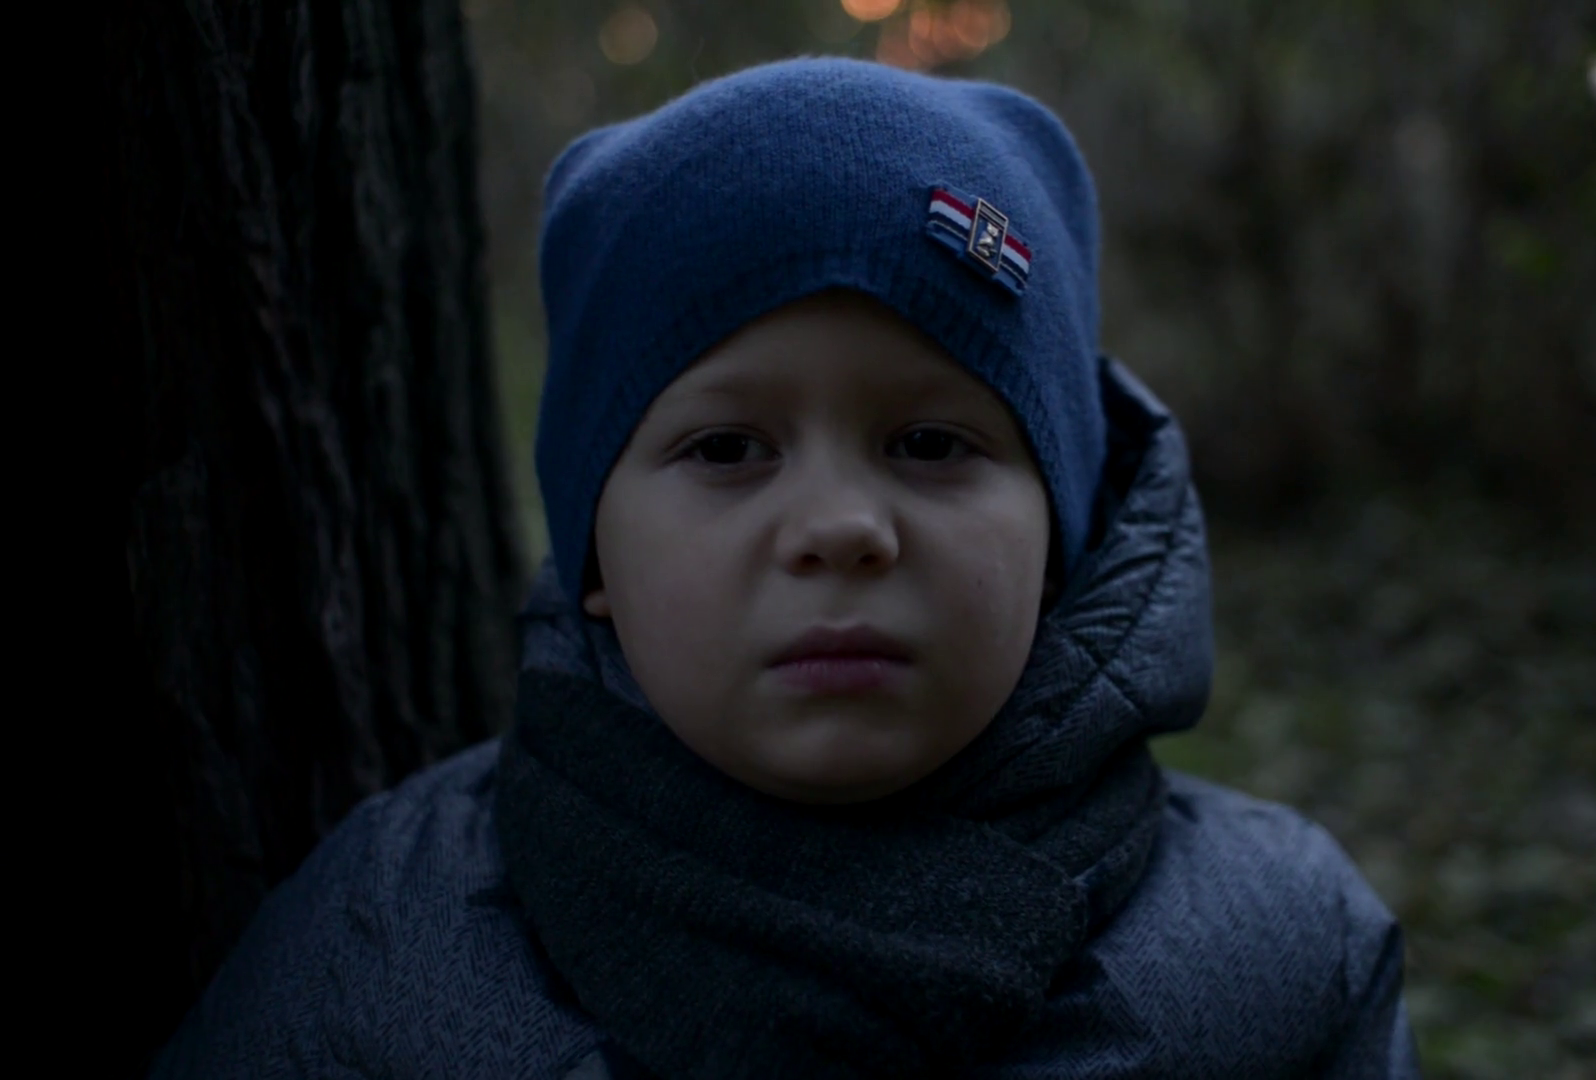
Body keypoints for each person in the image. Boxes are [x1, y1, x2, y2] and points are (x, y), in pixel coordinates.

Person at [151, 57, 1420, 1079]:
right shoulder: (375, 959)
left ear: (1060, 536)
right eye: (727, 447)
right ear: (597, 548)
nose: (839, 527)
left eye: (930, 441)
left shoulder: (1286, 952)